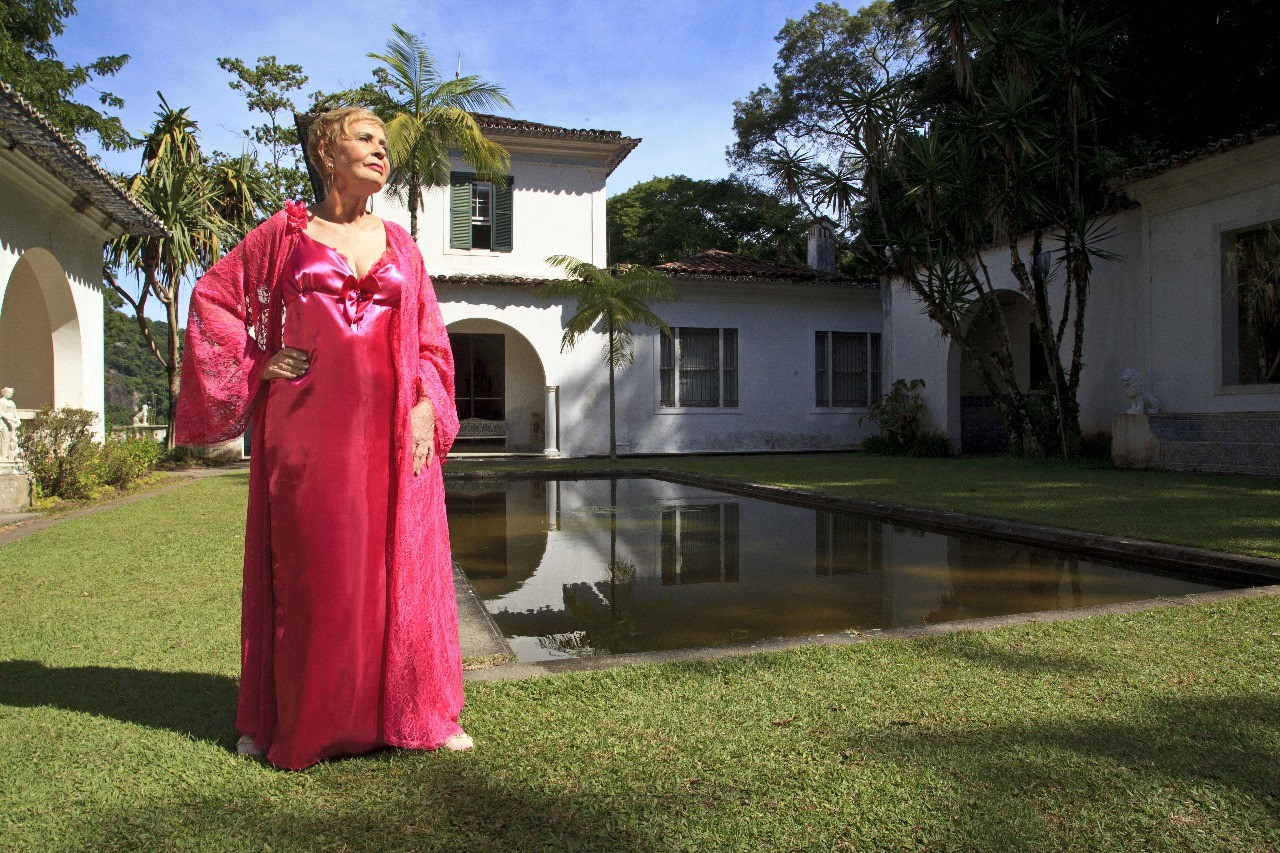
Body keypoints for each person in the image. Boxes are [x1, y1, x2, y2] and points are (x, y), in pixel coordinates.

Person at [175, 106, 468, 770]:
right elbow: (213, 298)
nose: (381, 152)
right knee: (314, 571)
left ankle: (413, 709)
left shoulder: (402, 244)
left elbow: (430, 339)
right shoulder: (284, 234)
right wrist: (258, 362)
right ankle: (296, 717)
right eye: (366, 140)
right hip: (307, 429)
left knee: (396, 566)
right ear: (326, 153)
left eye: (384, 145)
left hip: (392, 429)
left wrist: (424, 401)